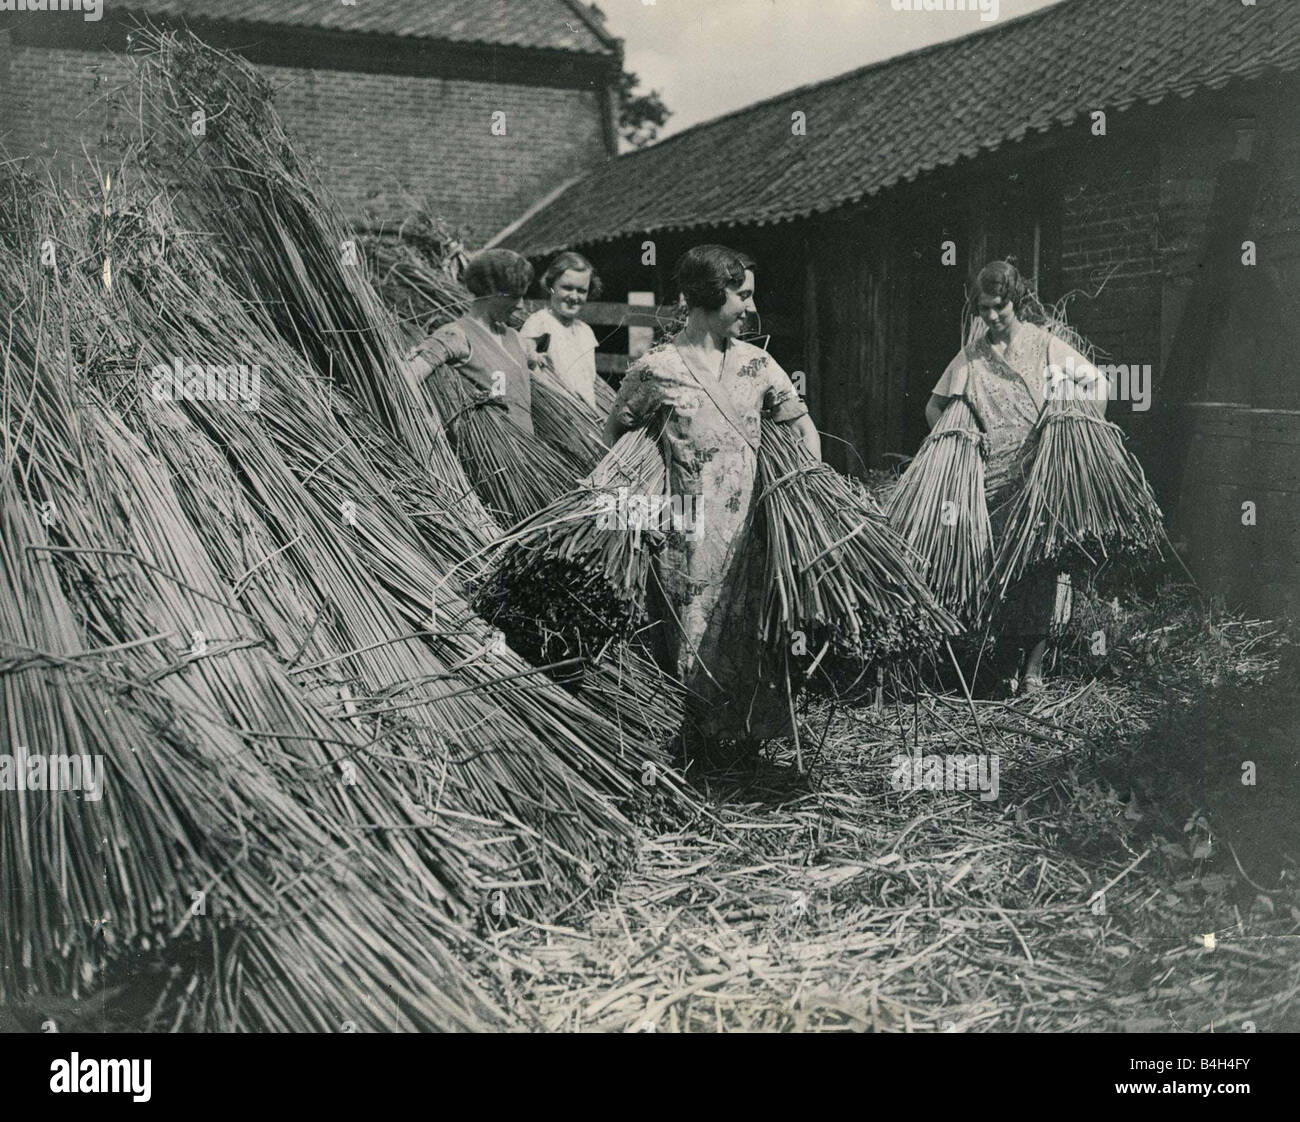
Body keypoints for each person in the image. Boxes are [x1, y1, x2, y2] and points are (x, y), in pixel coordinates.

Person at [604, 245, 821, 747]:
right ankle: (691, 743)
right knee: (689, 632)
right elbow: (615, 433)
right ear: (707, 295)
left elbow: (805, 429)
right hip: (685, 529)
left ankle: (744, 740)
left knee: (746, 627)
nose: (749, 307)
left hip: (750, 526)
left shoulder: (757, 364)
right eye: (740, 296)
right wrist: (641, 502)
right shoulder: (657, 367)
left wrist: (805, 485)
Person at [924, 258, 1106, 692]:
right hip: (993, 479)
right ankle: (1004, 665)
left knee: (1042, 568)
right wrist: (962, 442)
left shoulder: (1044, 345)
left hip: (1040, 474)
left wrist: (1074, 430)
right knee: (1003, 573)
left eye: (999, 308)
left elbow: (1098, 383)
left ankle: (1034, 671)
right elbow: (933, 408)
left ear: (1016, 303)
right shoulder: (971, 358)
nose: (991, 317)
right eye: (984, 309)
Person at [404, 248, 538, 434]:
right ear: (491, 291)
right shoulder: (456, 335)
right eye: (515, 296)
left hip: (530, 452)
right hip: (492, 455)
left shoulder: (514, 338)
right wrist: (429, 424)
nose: (521, 304)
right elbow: (403, 379)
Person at [521, 251, 602, 409]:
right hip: (555, 412)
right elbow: (523, 359)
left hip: (586, 413)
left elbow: (588, 381)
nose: (574, 296)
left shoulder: (585, 331)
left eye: (581, 291)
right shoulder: (540, 323)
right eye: (567, 288)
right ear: (551, 287)